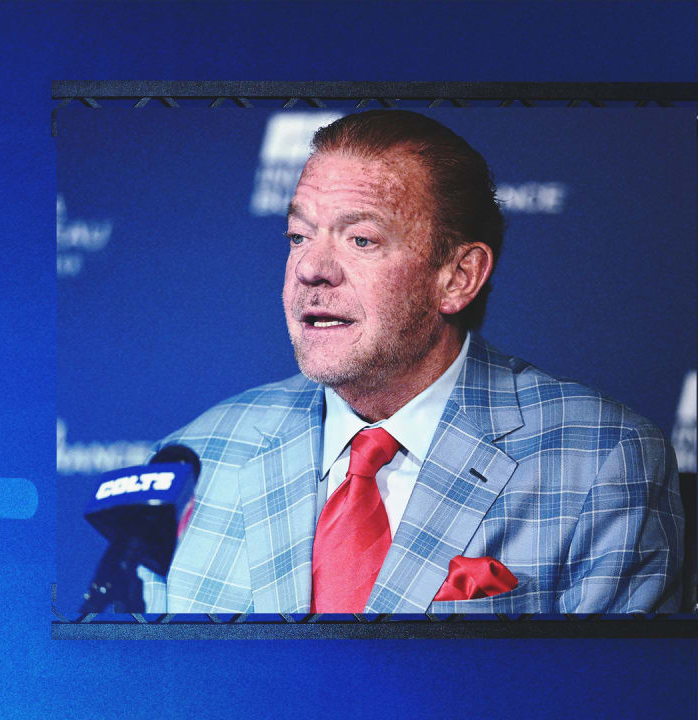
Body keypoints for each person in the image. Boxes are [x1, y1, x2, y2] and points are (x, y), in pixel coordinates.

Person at [140, 110, 684, 614]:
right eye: (298, 236)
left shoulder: (602, 461)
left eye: (361, 239)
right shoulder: (197, 457)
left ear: (458, 277)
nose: (311, 269)